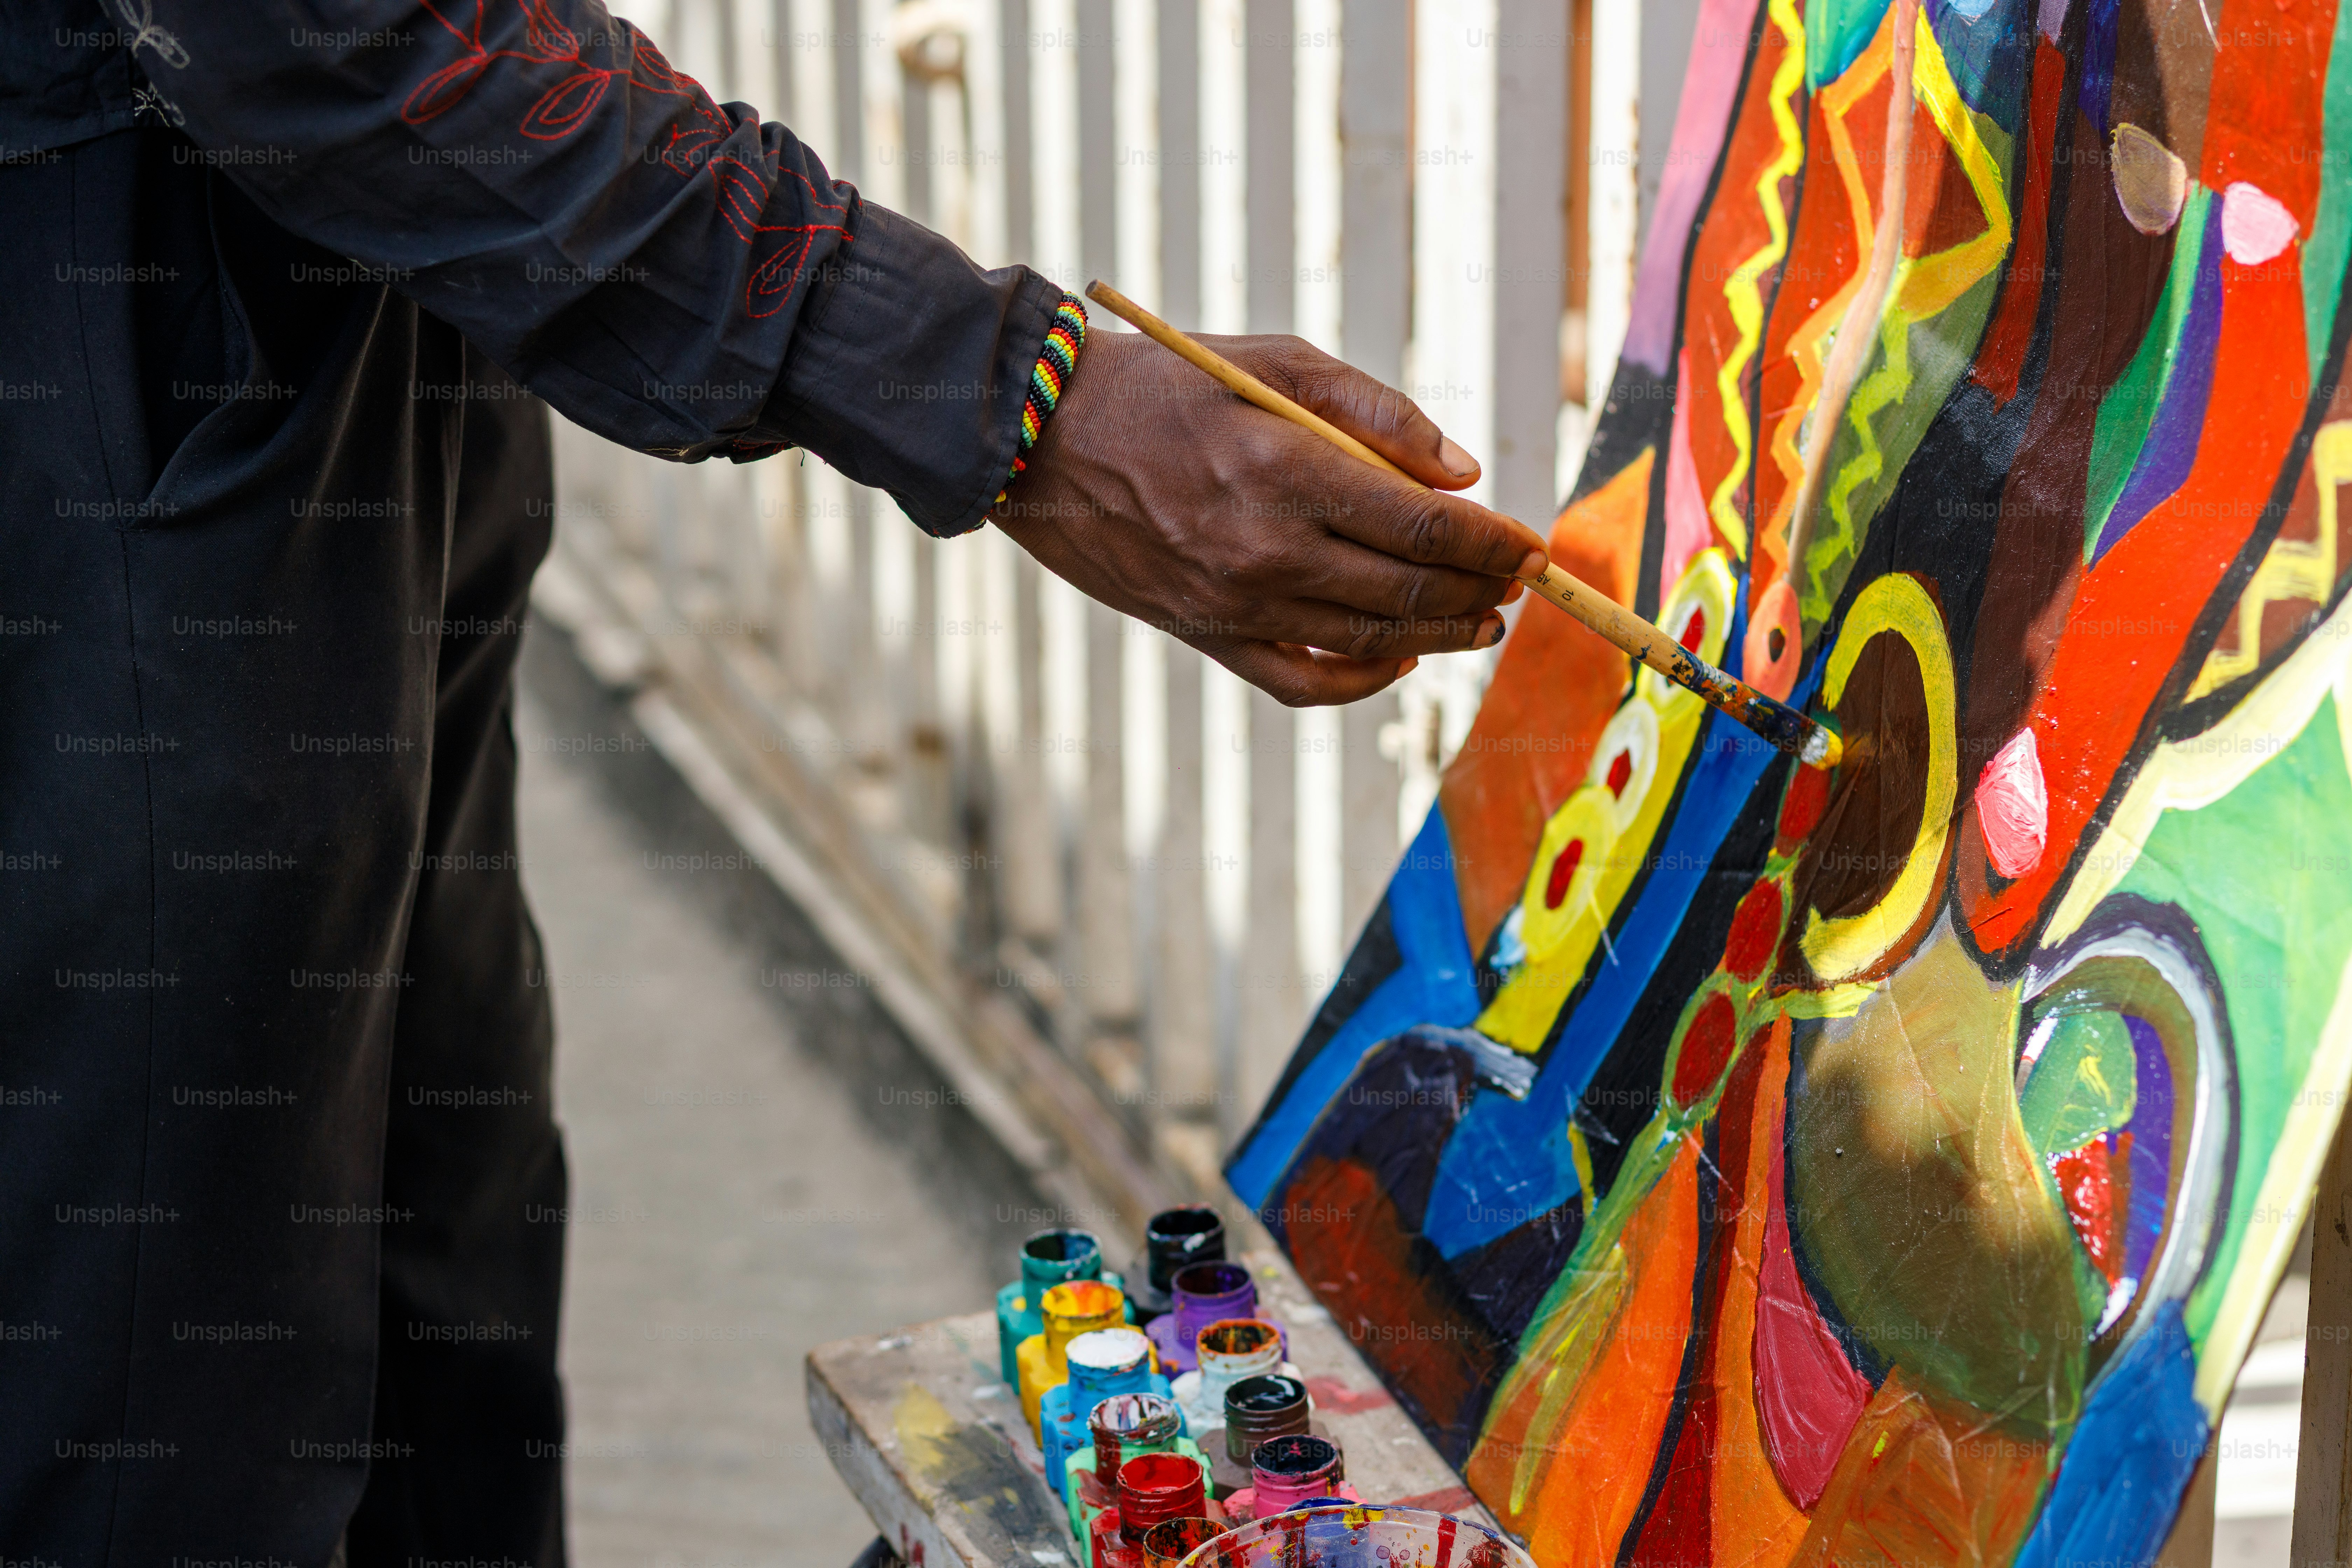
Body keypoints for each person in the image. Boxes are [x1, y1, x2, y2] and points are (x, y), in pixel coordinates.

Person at [0, 2, 1548, 1562]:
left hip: (362, 284)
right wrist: (997, 388)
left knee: (434, 1286)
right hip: (103, 313)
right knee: (167, 1375)